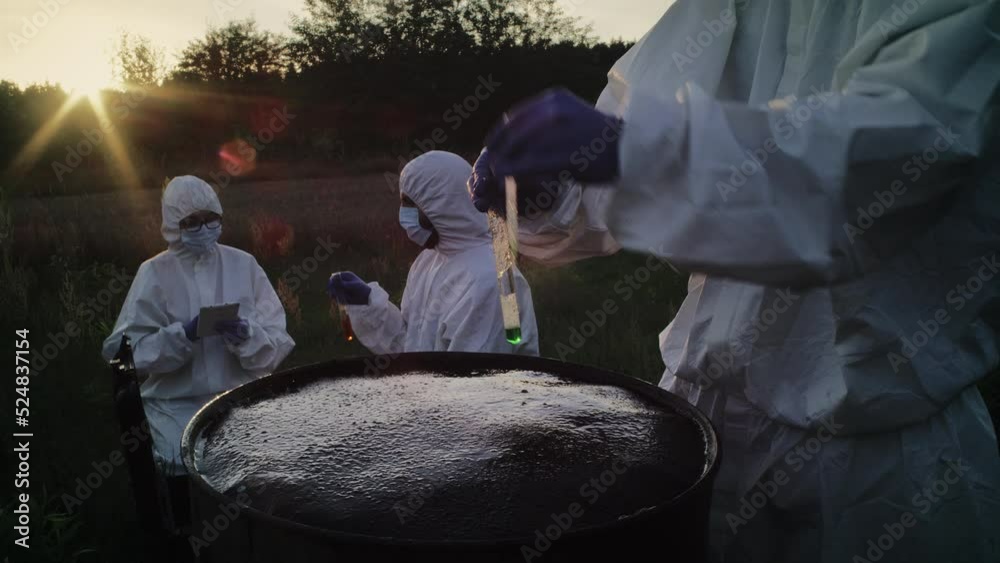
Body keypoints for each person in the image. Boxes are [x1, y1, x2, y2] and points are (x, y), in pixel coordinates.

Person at [470, 1, 1000, 562]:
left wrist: (642, 149)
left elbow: (885, 161)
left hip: (869, 465)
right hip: (700, 418)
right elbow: (620, 154)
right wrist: (542, 187)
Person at [101, 176, 295, 527]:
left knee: (256, 470)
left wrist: (247, 337)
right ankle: (188, 536)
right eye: (191, 222)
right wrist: (182, 336)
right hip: (177, 401)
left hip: (241, 394)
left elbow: (276, 338)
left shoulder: (243, 265)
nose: (203, 228)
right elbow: (126, 351)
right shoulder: (154, 273)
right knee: (185, 467)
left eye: (210, 218)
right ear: (173, 225)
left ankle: (253, 535)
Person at [329, 150, 538, 356]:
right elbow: (411, 347)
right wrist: (369, 305)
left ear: (443, 206)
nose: (403, 215)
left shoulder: (490, 282)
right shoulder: (429, 261)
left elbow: (472, 382)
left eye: (411, 205)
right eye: (403, 203)